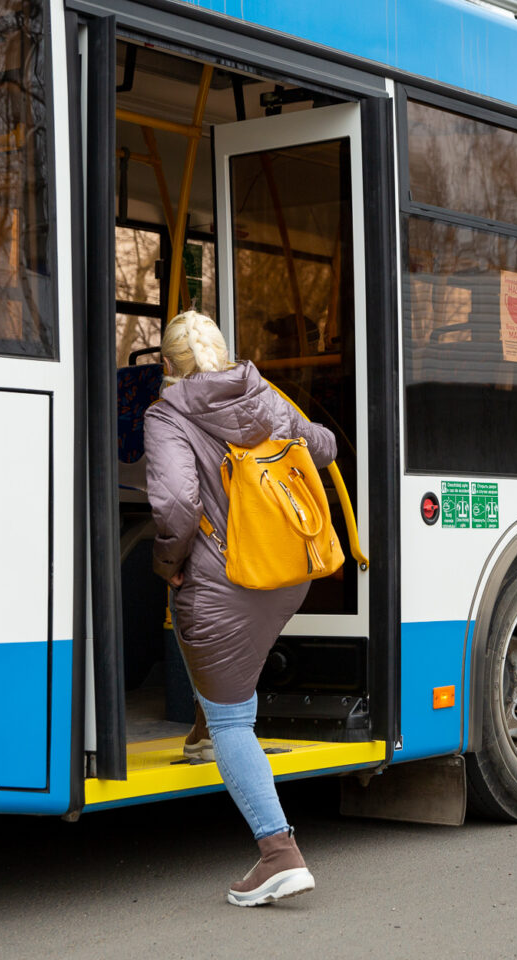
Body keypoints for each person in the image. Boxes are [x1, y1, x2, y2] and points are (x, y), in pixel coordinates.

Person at [143, 309, 338, 907]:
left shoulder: (166, 413)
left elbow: (176, 503)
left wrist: (166, 563)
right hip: (286, 573)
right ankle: (205, 725)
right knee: (228, 681)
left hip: (227, 577)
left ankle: (279, 856)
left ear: (168, 365)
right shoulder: (258, 393)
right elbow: (325, 447)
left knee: (235, 720)